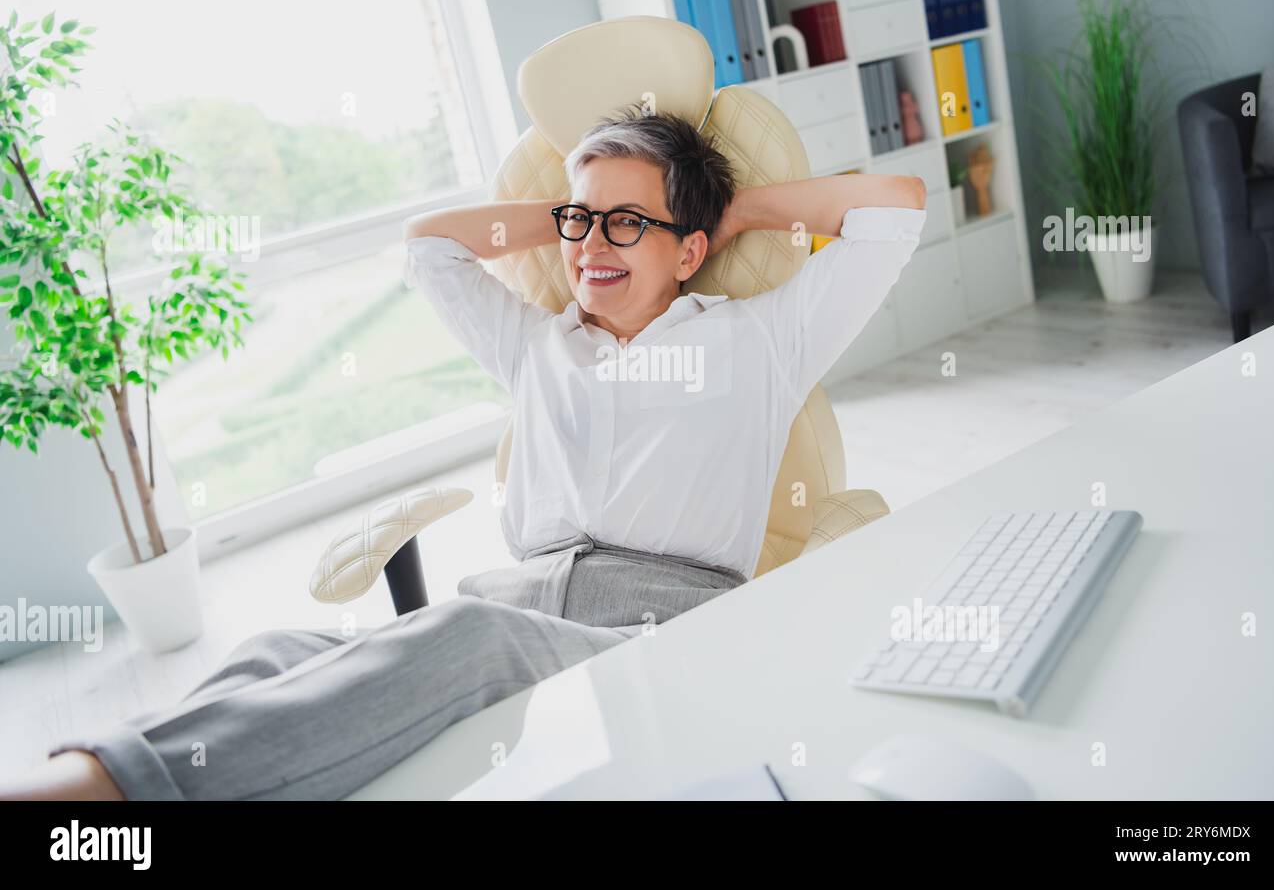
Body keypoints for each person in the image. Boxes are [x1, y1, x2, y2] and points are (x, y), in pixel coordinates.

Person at [3, 107, 925, 800]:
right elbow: (431, 250)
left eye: (626, 225)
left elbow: (894, 206)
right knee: (279, 644)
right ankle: (112, 803)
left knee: (468, 640)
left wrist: (734, 212)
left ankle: (100, 796)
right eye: (579, 221)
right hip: (517, 599)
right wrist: (578, 207)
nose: (591, 246)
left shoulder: (761, 341)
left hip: (656, 628)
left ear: (690, 250)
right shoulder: (538, 344)